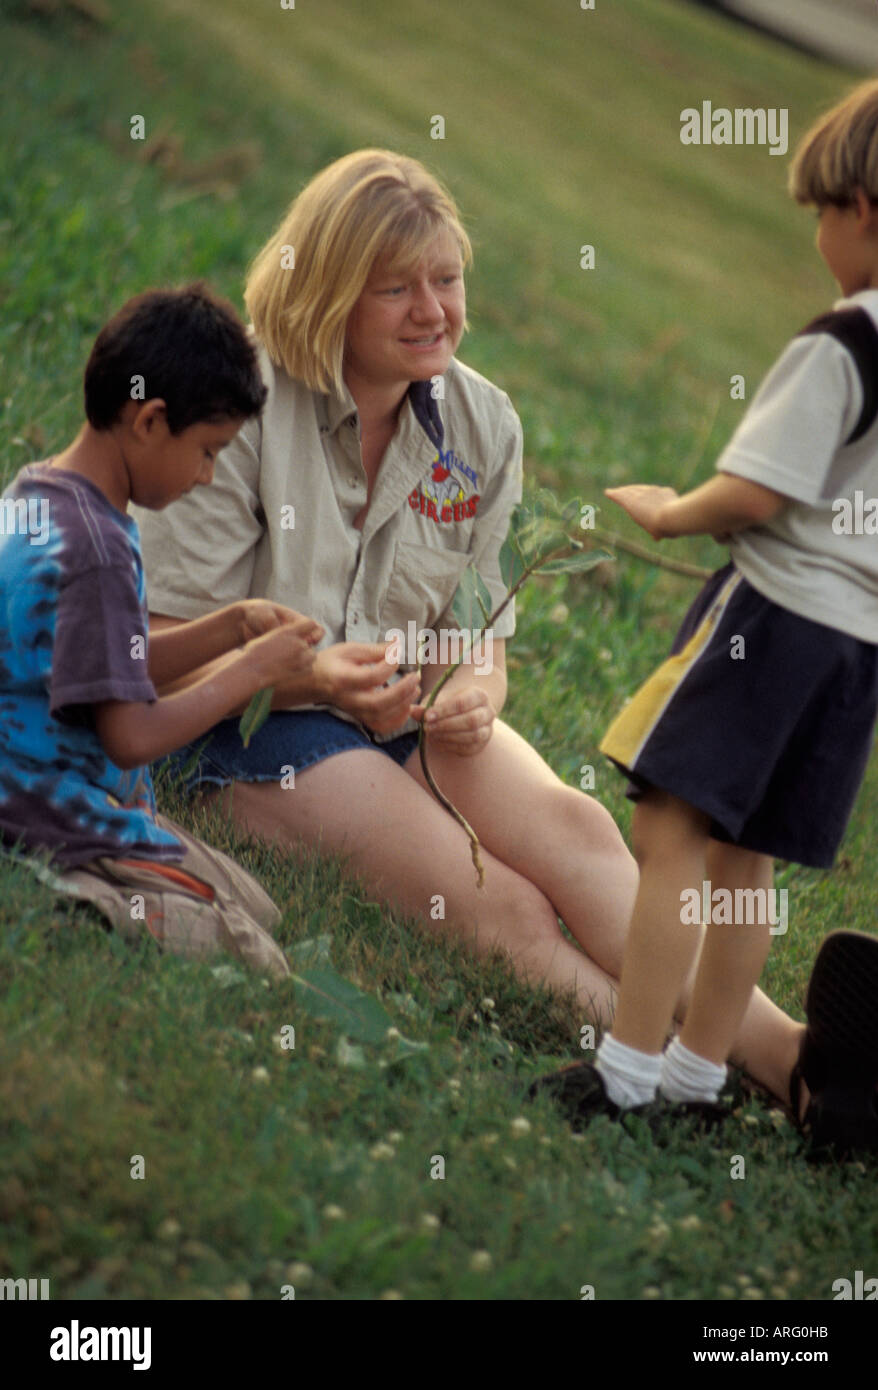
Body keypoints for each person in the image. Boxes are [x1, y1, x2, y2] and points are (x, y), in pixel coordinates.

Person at [136, 149, 864, 1142]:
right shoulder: (242, 407)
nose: (432, 309)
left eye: (446, 279)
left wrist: (476, 682)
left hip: (409, 710)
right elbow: (157, 638)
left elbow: (479, 631)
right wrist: (308, 674)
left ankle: (806, 1070)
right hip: (250, 729)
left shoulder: (481, 421)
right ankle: (669, 1081)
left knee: (574, 834)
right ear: (328, 296)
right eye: (395, 287)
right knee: (500, 905)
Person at [531, 82, 878, 1155]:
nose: (816, 231)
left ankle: (628, 1076)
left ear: (861, 205)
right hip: (853, 653)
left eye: (818, 210)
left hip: (768, 620)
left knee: (673, 833)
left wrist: (671, 512)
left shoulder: (840, 346)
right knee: (748, 860)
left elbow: (755, 494)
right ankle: (693, 1076)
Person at [0, 283, 324, 976]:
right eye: (208, 450)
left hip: (34, 783)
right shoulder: (96, 553)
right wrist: (254, 671)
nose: (208, 476)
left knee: (258, 903)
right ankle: (75, 897)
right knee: (256, 953)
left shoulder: (43, 493)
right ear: (148, 421)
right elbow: (131, 734)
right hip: (50, 808)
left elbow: (112, 661)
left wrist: (232, 627)